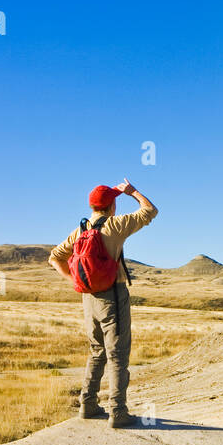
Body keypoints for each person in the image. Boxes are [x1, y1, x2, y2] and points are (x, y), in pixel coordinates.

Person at [48, 178, 157, 427]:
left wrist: (75, 280)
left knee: (97, 352)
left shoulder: (81, 231)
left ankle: (87, 405)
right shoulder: (115, 226)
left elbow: (54, 258)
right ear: (111, 207)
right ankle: (118, 412)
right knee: (118, 354)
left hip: (88, 299)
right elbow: (150, 211)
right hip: (113, 296)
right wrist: (132, 192)